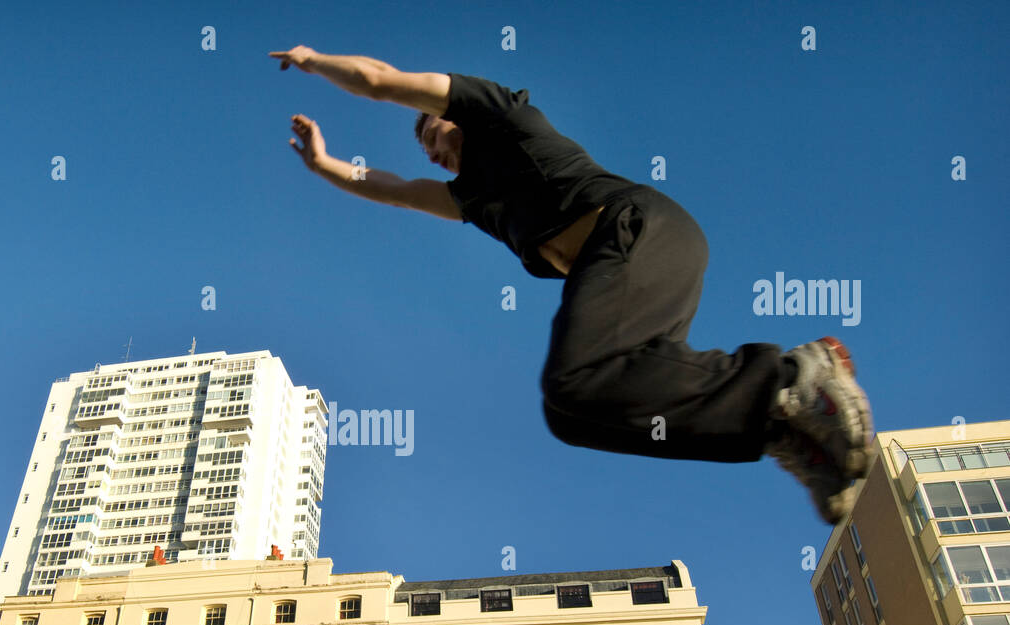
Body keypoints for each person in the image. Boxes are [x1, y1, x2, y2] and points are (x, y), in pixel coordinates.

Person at [269, 46, 875, 523]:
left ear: (452, 116)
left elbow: (379, 80)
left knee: (573, 377)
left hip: (642, 230)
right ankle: (785, 432)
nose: (428, 153)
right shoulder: (474, 201)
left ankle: (797, 378)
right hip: (636, 269)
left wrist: (313, 61)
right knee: (575, 412)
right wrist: (324, 165)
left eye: (429, 134)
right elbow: (392, 191)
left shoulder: (499, 113)